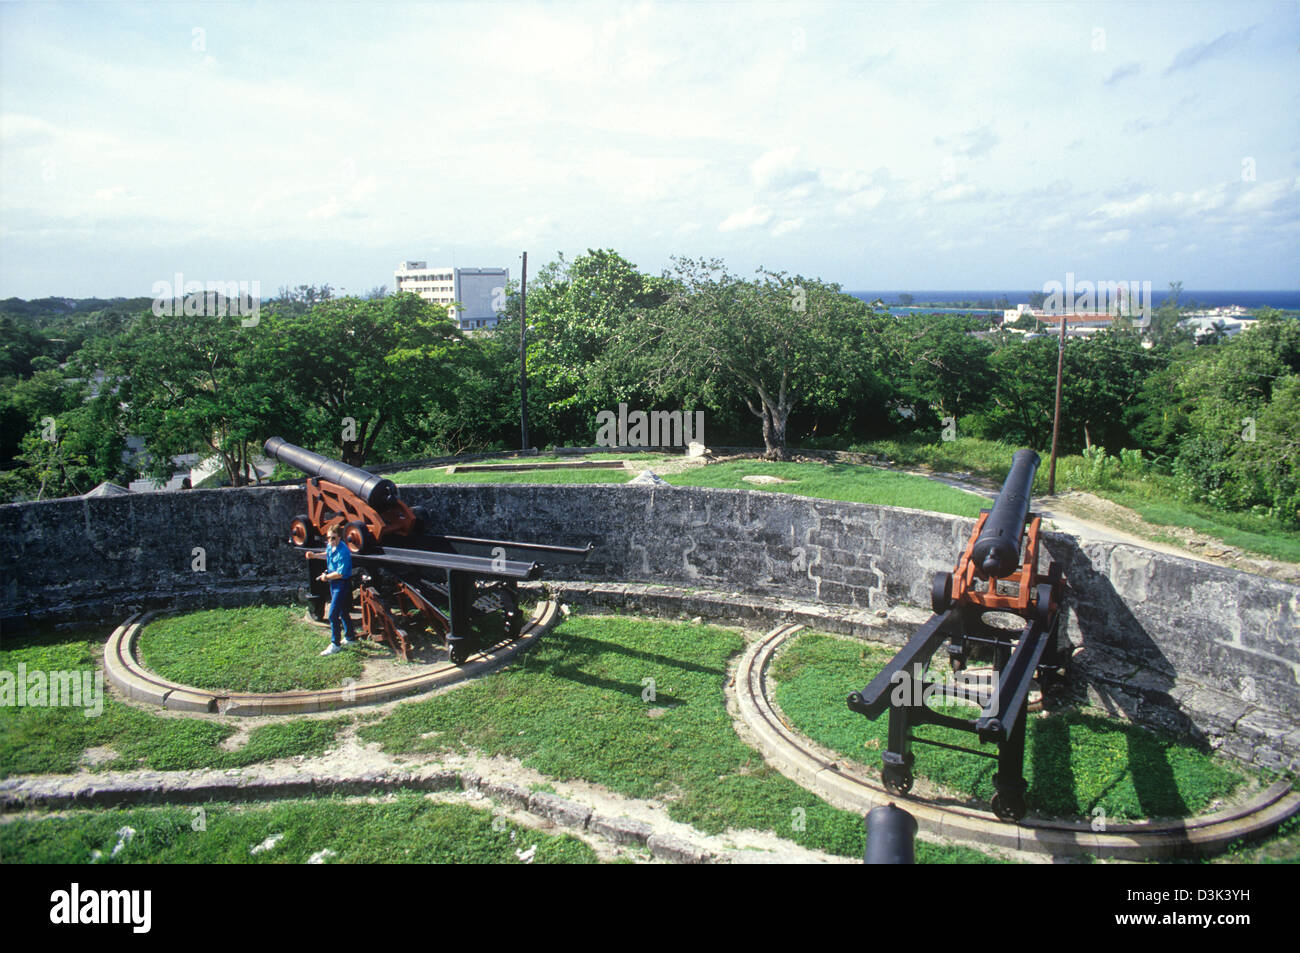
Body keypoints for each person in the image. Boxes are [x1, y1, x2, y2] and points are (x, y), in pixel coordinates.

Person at [318, 526, 355, 656]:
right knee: (343, 611)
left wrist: (325, 577)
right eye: (328, 538)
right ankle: (350, 637)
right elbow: (327, 553)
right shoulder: (330, 546)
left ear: (340, 537)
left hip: (341, 584)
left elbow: (339, 573)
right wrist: (314, 555)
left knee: (332, 615)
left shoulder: (343, 551)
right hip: (334, 584)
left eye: (333, 538)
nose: (330, 540)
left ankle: (335, 644)